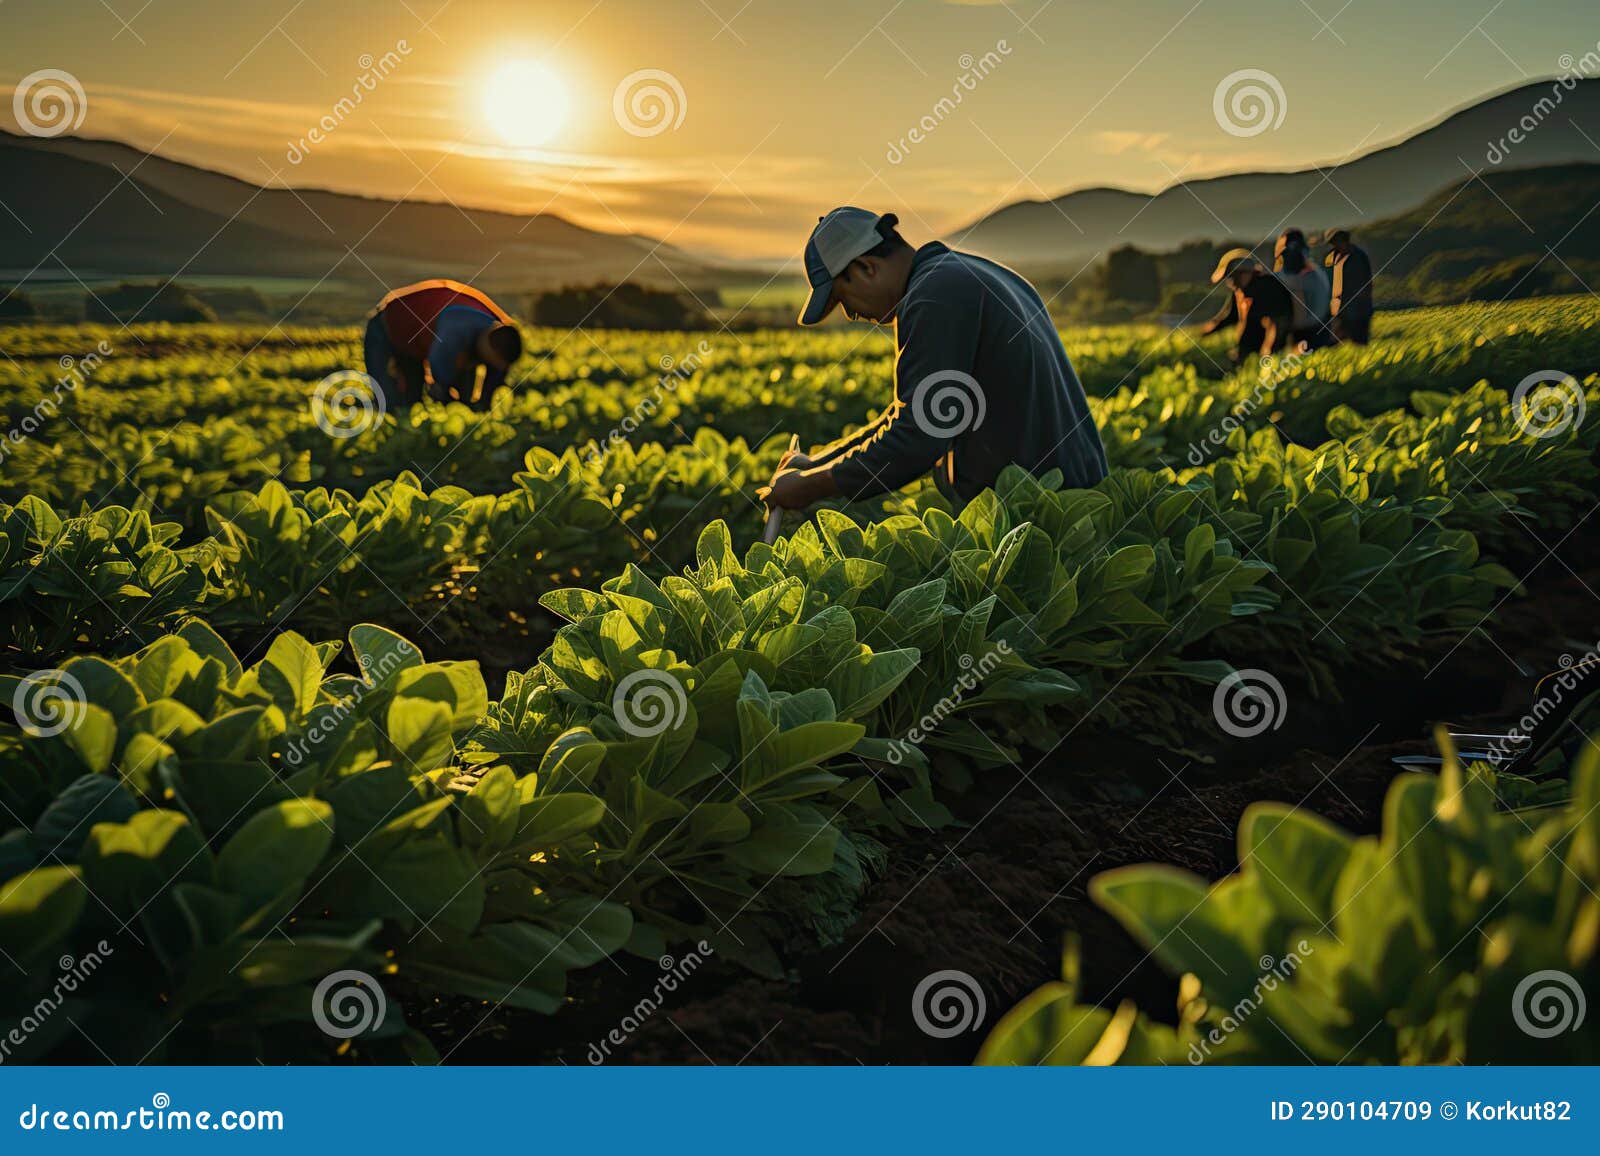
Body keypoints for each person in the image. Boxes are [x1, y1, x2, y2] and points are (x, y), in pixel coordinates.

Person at [758, 207, 1108, 514]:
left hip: (1045, 513)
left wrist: (808, 487)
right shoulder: (969, 273)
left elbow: (916, 439)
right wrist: (818, 464)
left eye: (842, 298)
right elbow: (915, 414)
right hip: (1068, 500)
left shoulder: (934, 296)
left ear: (866, 267)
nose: (850, 314)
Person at [363, 279, 523, 411]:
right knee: (391, 403)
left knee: (415, 405)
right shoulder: (455, 330)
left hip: (419, 342)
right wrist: (448, 395)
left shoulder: (502, 335)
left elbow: (491, 387)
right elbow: (440, 380)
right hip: (386, 327)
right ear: (488, 349)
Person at [1200, 249, 1295, 362]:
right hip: (1263, 339)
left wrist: (1241, 355)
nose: (1231, 283)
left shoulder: (1266, 287)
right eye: (1229, 279)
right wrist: (1204, 333)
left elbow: (1252, 326)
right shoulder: (1241, 291)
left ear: (1246, 273)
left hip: (1279, 338)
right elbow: (1231, 316)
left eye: (1233, 277)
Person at [1274, 228, 1333, 350]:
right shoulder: (1317, 273)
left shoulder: (1303, 277)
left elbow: (1300, 318)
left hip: (1308, 334)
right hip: (1319, 331)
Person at [1318, 228, 1375, 345]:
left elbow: (1365, 284)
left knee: (1358, 342)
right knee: (1333, 344)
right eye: (1333, 243)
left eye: (1337, 242)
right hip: (1338, 310)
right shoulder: (1330, 258)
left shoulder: (1359, 257)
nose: (1335, 246)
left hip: (1358, 310)